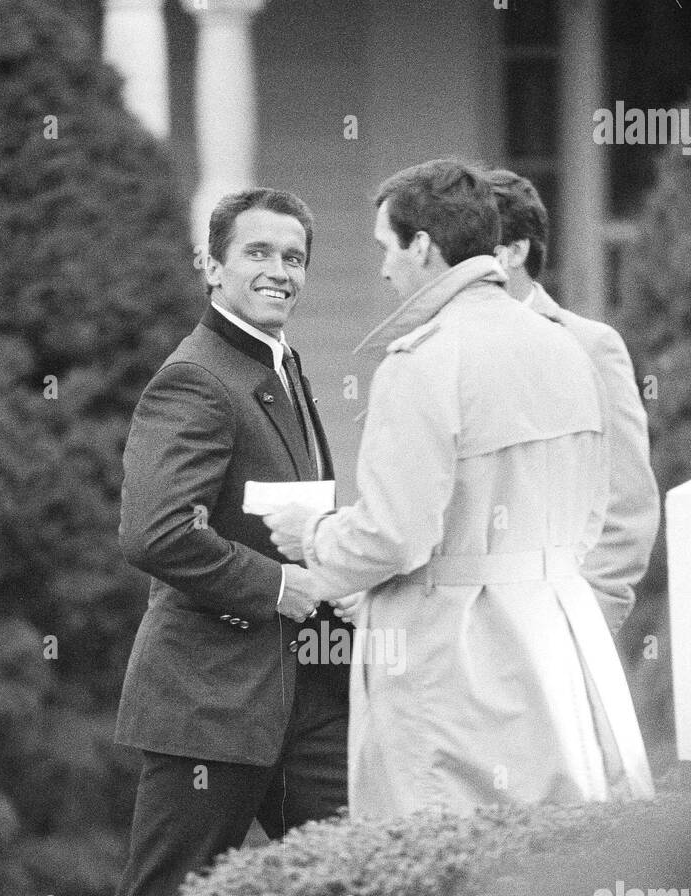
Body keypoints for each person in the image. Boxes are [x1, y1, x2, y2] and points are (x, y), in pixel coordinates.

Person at [61, 188, 350, 896]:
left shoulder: (281, 365)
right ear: (212, 264)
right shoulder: (194, 378)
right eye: (260, 253)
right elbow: (155, 531)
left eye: (295, 256)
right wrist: (277, 585)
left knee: (350, 885)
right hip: (209, 698)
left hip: (306, 690)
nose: (280, 270)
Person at [266, 159, 654, 820]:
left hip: (452, 663)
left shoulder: (423, 360)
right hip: (556, 649)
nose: (383, 268)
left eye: (387, 248)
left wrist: (313, 534)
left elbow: (394, 535)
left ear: (422, 245)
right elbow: (596, 509)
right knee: (548, 875)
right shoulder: (567, 348)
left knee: (444, 891)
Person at [487, 169, 660, 635]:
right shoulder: (437, 351)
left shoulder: (590, 346)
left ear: (516, 251)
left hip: (556, 631)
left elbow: (628, 504)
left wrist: (584, 621)